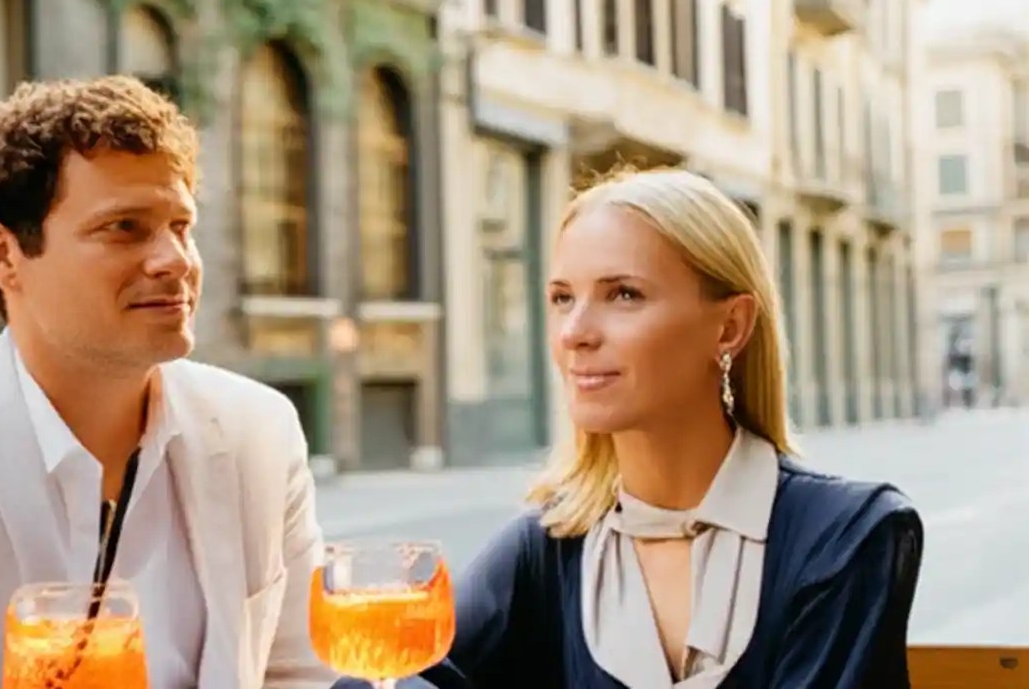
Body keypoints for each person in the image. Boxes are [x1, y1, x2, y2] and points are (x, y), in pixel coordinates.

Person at [0, 76, 337, 688]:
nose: (176, 260)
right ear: (2, 255)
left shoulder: (259, 430)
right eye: (124, 226)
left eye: (181, 226)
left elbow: (299, 676)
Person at [342, 167, 924, 688]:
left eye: (623, 294)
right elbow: (383, 681)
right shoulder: (546, 551)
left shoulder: (847, 537)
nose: (574, 332)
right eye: (562, 298)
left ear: (729, 327)